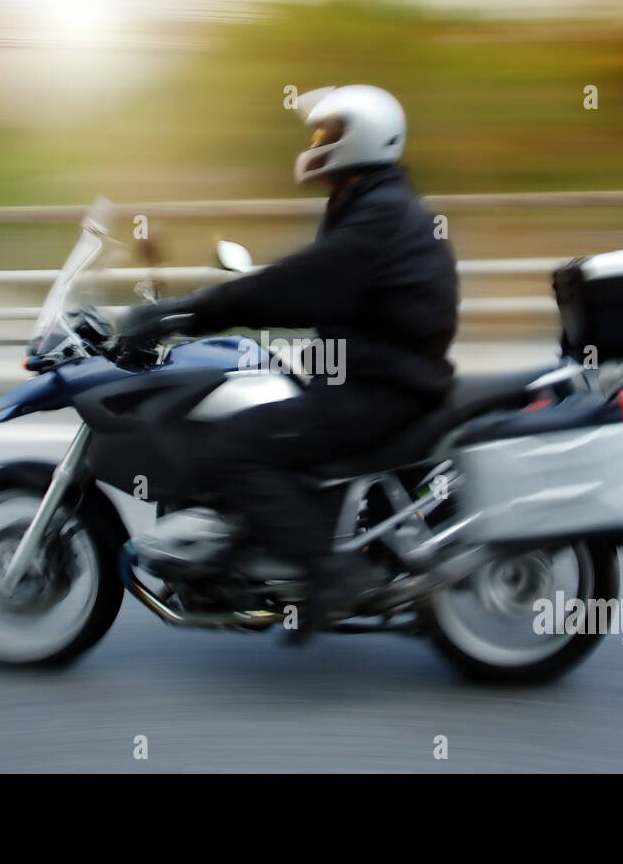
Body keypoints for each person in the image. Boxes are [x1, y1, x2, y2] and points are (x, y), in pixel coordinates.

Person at [113, 85, 459, 642]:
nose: (317, 143)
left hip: (381, 389)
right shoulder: (373, 203)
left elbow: (305, 283)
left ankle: (330, 576)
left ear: (359, 138)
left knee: (232, 447)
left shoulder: (379, 214)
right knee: (264, 403)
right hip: (376, 374)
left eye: (328, 133)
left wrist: (193, 312)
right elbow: (318, 284)